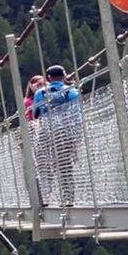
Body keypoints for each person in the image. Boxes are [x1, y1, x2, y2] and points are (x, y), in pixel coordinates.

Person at [30, 65, 82, 207]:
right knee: (65, 165)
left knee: (47, 165)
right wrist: (77, 136)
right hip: (66, 133)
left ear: (49, 78)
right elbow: (77, 114)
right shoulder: (72, 91)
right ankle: (68, 198)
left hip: (48, 134)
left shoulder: (40, 93)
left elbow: (35, 113)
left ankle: (47, 198)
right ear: (64, 75)